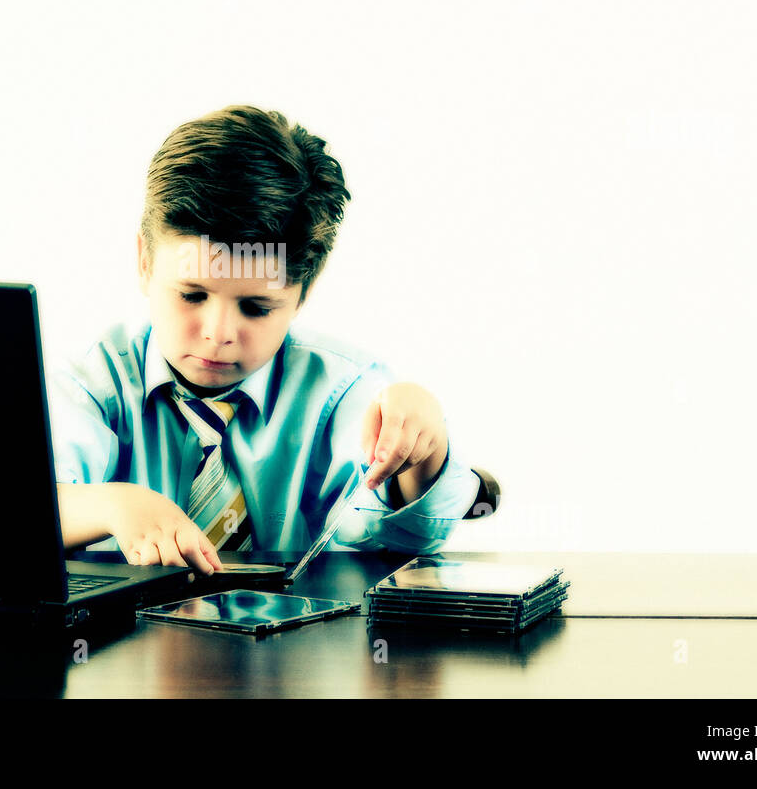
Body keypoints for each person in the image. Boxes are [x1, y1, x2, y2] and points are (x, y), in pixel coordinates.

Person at [48, 105, 494, 574]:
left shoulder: (342, 392)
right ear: (145, 261)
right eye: (191, 294)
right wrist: (112, 505)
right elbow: (11, 512)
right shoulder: (91, 384)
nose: (218, 334)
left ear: (303, 291)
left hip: (290, 644)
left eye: (256, 308)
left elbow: (407, 537)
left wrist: (425, 452)